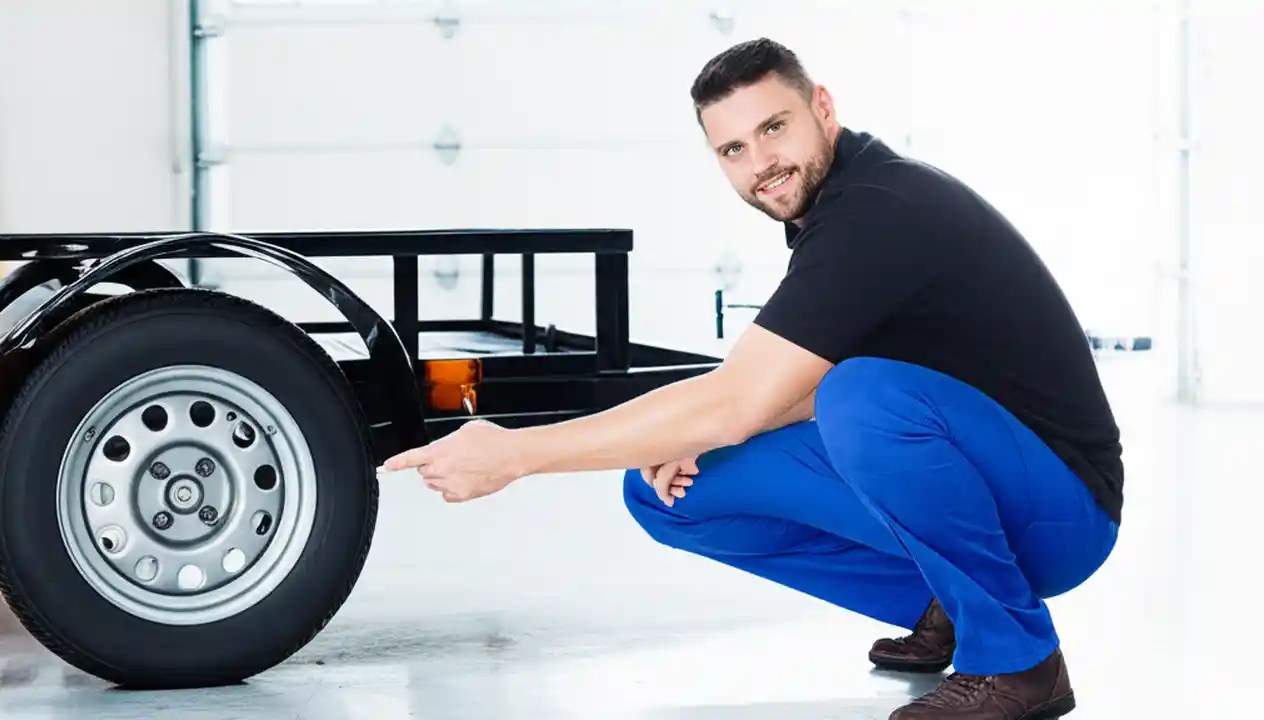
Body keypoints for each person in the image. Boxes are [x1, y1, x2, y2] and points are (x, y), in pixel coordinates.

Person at [382, 37, 1122, 720]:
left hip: (1065, 509)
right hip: (993, 484)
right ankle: (961, 601)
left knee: (861, 400)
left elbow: (742, 398)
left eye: (775, 128)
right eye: (733, 147)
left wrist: (514, 454)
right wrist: (698, 431)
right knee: (668, 492)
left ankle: (1020, 661)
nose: (760, 161)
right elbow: (782, 382)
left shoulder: (881, 212)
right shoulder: (833, 212)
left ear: (823, 109)